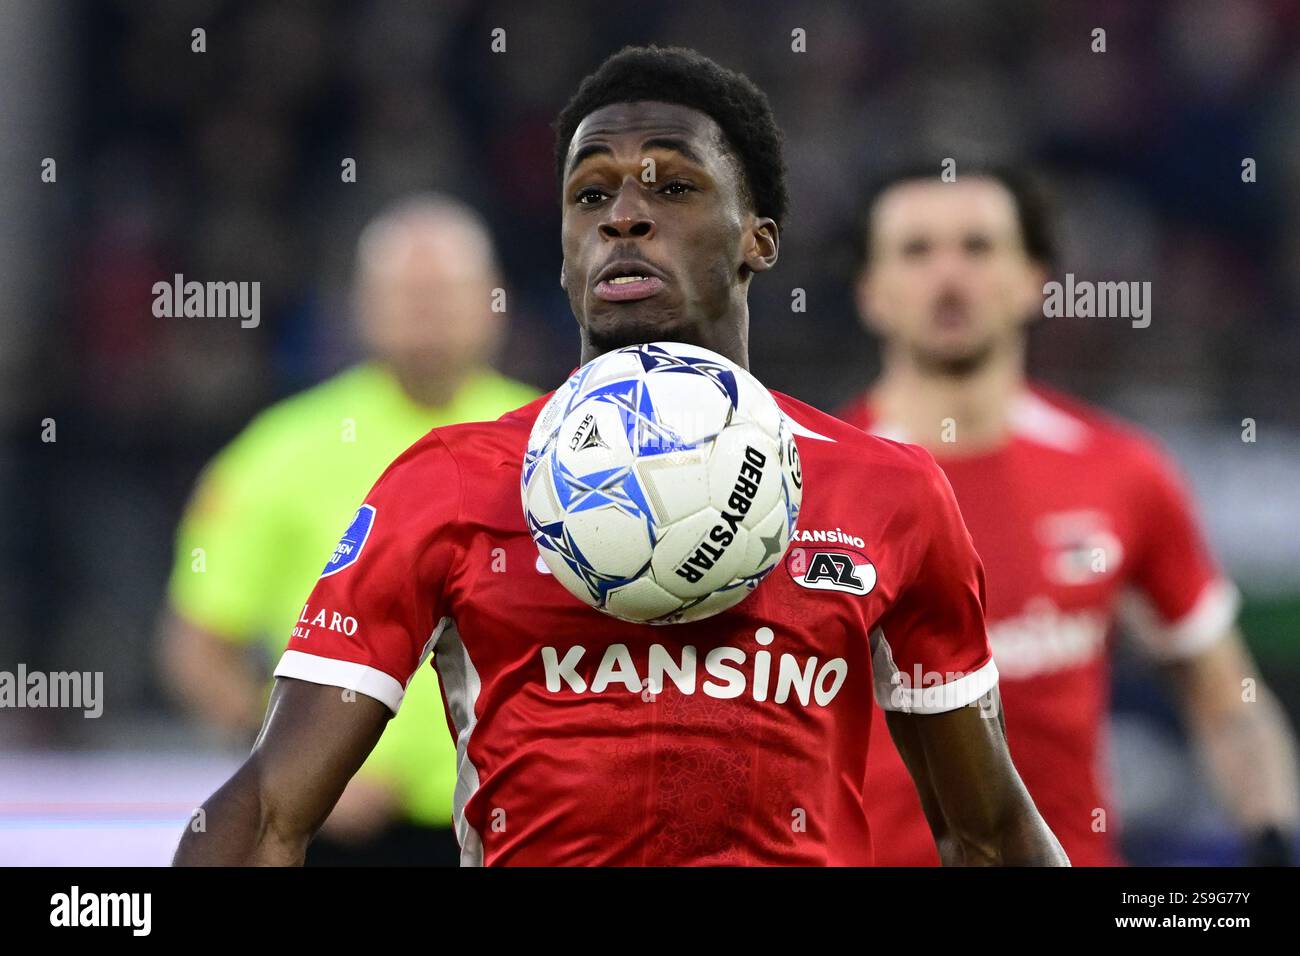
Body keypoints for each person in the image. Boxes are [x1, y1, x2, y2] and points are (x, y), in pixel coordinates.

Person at [174, 46, 1067, 867]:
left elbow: (987, 834)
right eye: (590, 195)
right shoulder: (450, 481)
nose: (624, 218)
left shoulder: (890, 494)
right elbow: (266, 815)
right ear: (564, 254)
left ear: (759, 236)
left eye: (673, 188)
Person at [835, 164, 1299, 866]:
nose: (950, 276)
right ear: (871, 292)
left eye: (979, 247)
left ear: (1034, 281)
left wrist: (1269, 837)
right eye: (917, 251)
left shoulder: (1121, 472)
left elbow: (1228, 699)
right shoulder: (811, 486)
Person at [160, 194, 538, 865]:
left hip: (524, 825)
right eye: (406, 293)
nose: (426, 311)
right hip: (344, 832)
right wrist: (297, 765)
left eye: (444, 292)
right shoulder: (279, 452)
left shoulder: (559, 444)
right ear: (360, 306)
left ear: (494, 301)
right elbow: (197, 648)